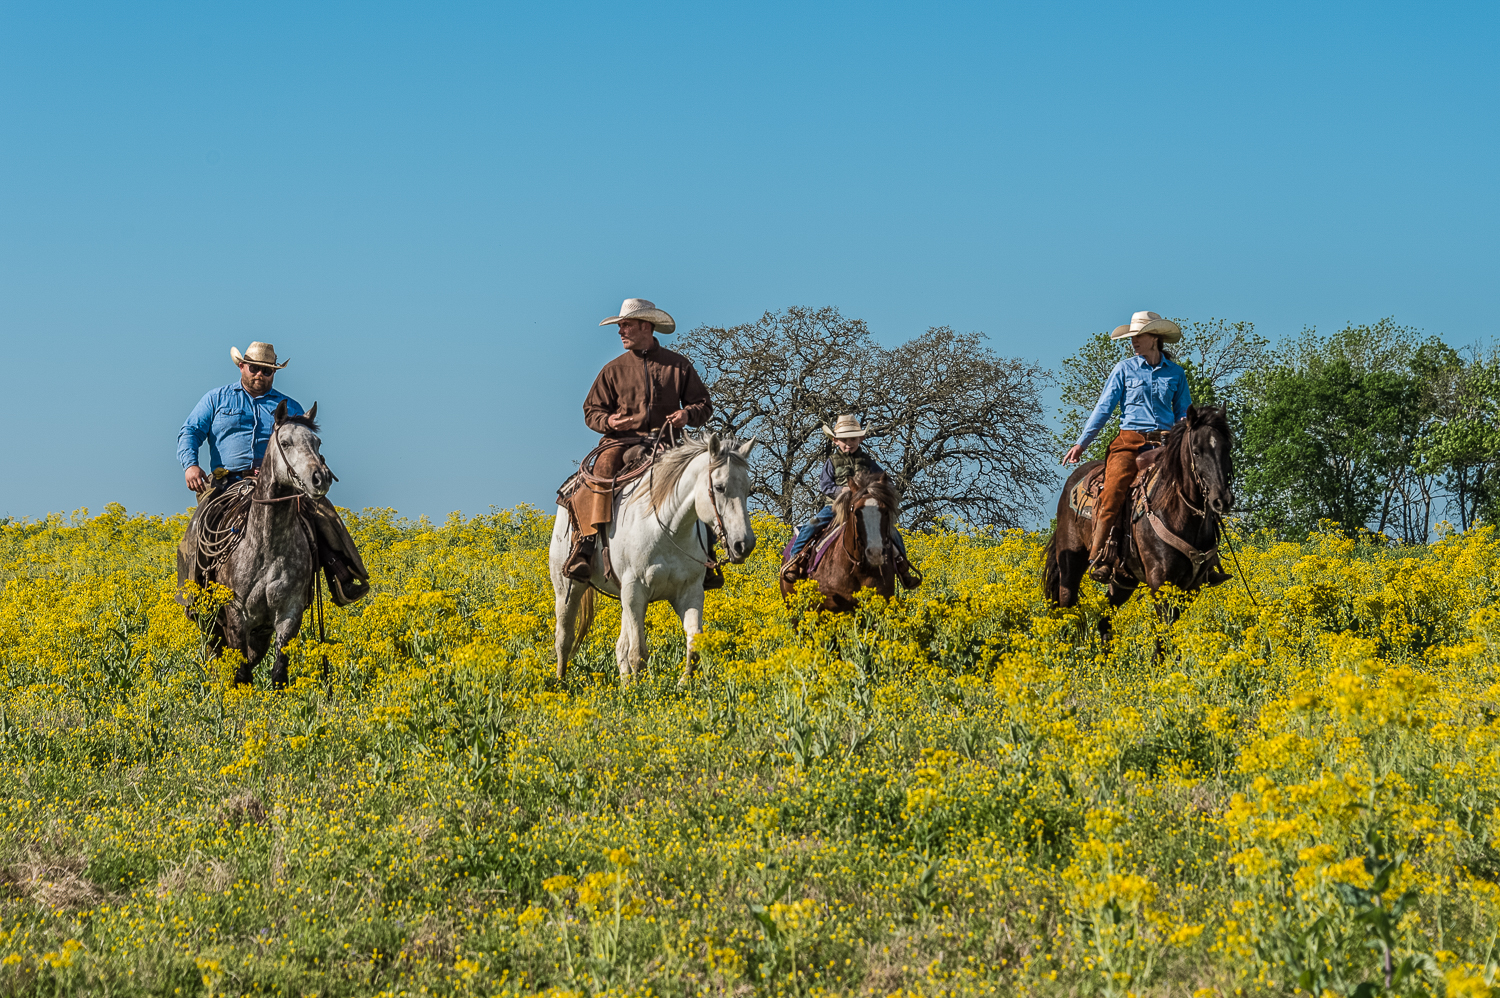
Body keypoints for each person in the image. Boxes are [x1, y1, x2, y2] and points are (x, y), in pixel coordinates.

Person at [176, 341, 369, 606]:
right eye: (254, 368)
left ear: (274, 373)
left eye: (267, 371)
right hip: (227, 482)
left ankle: (342, 576)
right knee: (198, 526)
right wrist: (191, 465)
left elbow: (304, 446)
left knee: (323, 514)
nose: (260, 374)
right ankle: (194, 595)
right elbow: (190, 431)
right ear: (242, 366)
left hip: (279, 485)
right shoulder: (216, 399)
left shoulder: (289, 407)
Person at [1064, 310, 1221, 584]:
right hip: (1129, 443)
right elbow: (1103, 409)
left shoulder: (1176, 373)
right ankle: (1100, 555)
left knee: (1200, 485)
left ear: (1155, 338)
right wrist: (1082, 443)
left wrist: (1184, 433)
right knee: (1113, 490)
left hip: (1167, 444)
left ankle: (1208, 561)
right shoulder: (1124, 369)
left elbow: (1183, 412)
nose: (1133, 341)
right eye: (1132, 336)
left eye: (1139, 336)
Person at [565, 299, 713, 581]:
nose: (620, 331)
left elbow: (703, 405)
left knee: (702, 479)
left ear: (646, 326)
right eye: (620, 326)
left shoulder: (679, 366)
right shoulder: (612, 369)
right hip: (620, 443)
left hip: (668, 444)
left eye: (626, 325)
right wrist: (609, 422)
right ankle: (585, 545)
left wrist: (687, 414)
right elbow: (591, 411)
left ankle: (707, 554)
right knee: (601, 471)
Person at [780, 414, 919, 588]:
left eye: (853, 439)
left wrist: (876, 491)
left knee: (892, 532)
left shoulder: (867, 461)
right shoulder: (832, 461)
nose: (849, 443)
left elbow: (885, 481)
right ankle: (795, 560)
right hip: (836, 507)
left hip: (864, 507)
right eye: (844, 440)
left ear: (860, 439)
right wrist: (842, 491)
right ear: (835, 441)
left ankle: (903, 569)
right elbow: (825, 485)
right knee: (811, 525)